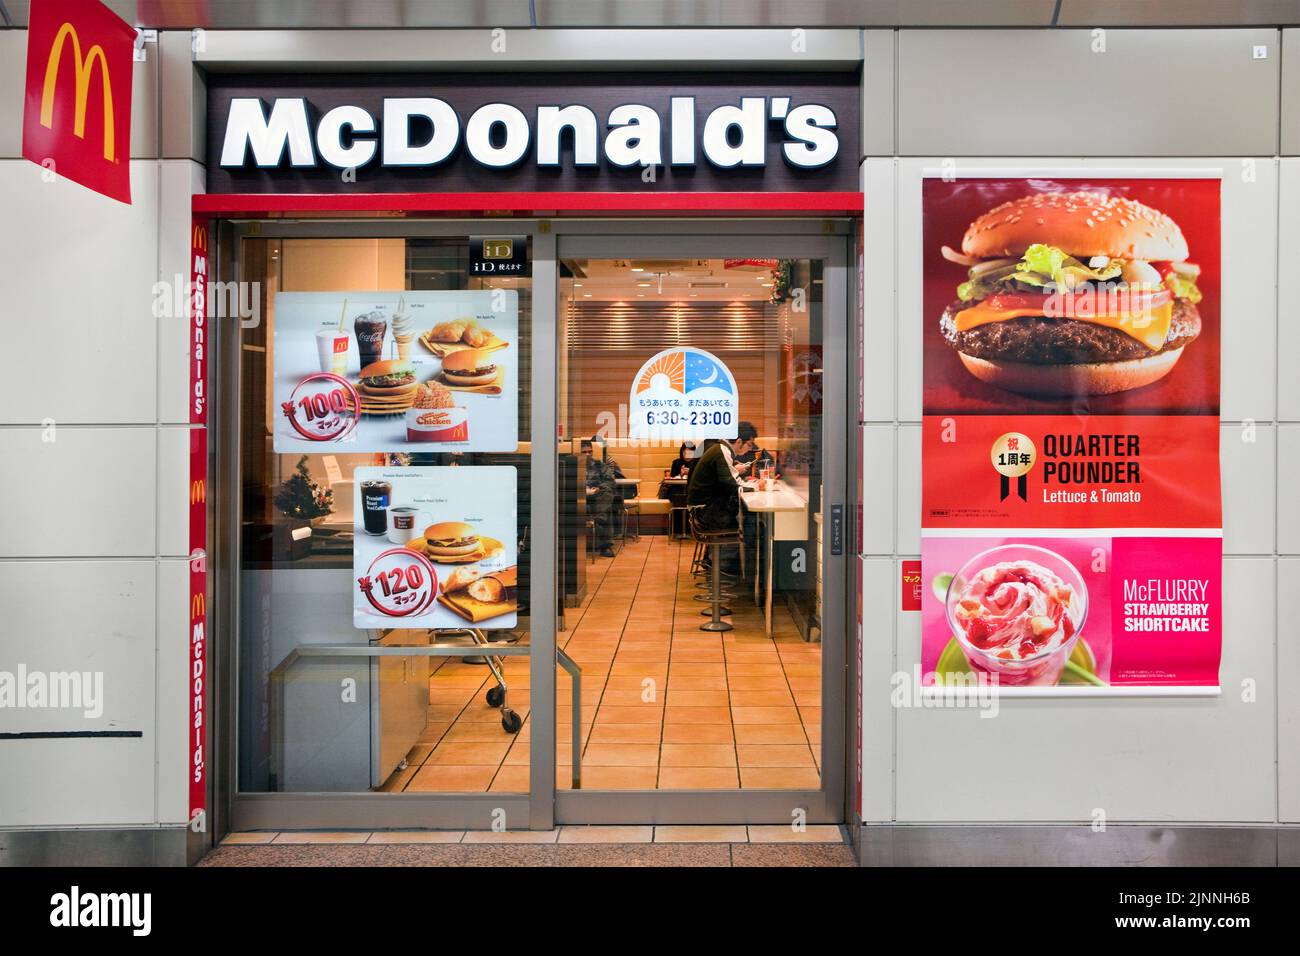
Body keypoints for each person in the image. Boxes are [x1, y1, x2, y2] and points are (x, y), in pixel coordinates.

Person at [686, 422, 758, 534]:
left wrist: (751, 485)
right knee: (752, 521)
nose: (751, 448)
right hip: (704, 513)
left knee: (749, 516)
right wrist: (757, 487)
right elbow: (732, 486)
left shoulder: (720, 448)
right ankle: (737, 551)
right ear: (739, 441)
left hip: (702, 509)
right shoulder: (722, 450)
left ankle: (723, 551)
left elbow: (732, 482)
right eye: (750, 444)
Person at [582, 439, 617, 558]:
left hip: (596, 498)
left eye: (589, 452)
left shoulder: (599, 465)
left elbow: (610, 481)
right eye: (584, 452)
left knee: (606, 495)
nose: (587, 454)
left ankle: (605, 546)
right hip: (576, 497)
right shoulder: (572, 465)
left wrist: (598, 488)